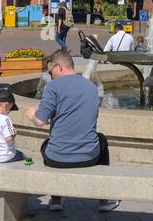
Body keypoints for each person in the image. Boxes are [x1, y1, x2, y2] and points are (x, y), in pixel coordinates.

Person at [25, 50, 118, 212]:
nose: (50, 76)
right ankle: (104, 199)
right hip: (89, 156)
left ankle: (55, 199)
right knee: (102, 140)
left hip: (57, 158)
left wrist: (31, 114)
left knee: (47, 143)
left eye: (50, 71)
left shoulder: (53, 86)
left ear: (59, 66)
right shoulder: (91, 87)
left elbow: (40, 121)